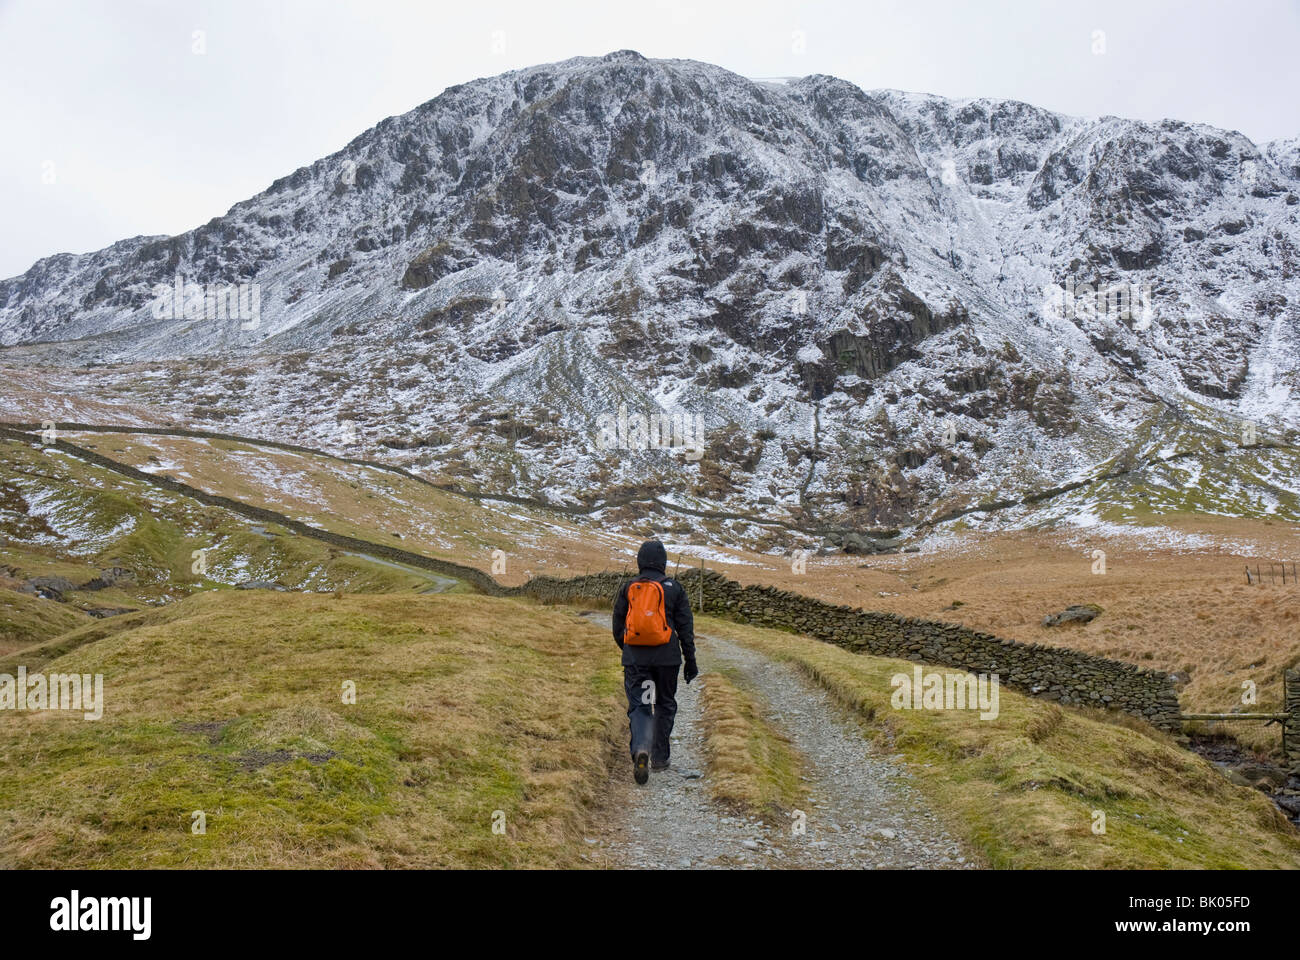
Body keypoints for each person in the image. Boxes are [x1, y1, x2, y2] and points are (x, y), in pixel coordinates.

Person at [611, 539, 697, 784]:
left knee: (640, 705)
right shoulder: (674, 588)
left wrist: (629, 651)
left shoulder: (629, 588)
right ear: (663, 563)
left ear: (640, 561)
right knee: (665, 704)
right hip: (667, 659)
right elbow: (685, 629)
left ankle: (641, 749)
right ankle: (660, 757)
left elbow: (618, 626)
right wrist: (690, 660)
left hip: (636, 658)